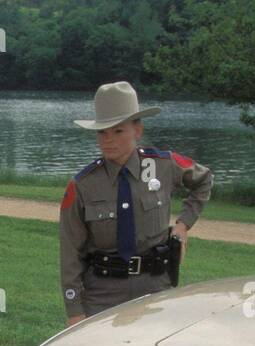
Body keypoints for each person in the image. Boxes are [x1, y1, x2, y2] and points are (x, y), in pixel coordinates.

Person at [59, 80, 214, 324]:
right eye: (102, 132)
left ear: (137, 130)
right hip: (102, 294)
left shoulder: (163, 165)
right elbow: (70, 254)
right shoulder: (82, 186)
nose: (108, 139)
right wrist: (75, 311)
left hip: (155, 290)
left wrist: (183, 226)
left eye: (118, 130)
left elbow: (203, 179)